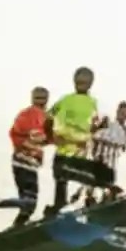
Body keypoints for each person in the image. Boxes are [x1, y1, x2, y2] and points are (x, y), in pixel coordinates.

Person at [0, 86, 50, 227]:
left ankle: (16, 228)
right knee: (30, 201)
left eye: (42, 98)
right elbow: (16, 134)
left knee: (28, 205)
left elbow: (43, 138)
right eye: (39, 98)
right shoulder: (35, 116)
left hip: (24, 163)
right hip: (25, 163)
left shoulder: (34, 116)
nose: (42, 102)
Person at [43, 68, 101, 217]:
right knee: (63, 180)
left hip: (76, 150)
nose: (80, 85)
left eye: (83, 82)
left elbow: (94, 126)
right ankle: (61, 206)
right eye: (79, 82)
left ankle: (74, 203)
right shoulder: (69, 100)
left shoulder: (89, 103)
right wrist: (51, 137)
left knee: (67, 178)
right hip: (68, 150)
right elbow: (47, 119)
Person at [75, 101, 126, 206]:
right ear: (117, 111)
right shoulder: (106, 122)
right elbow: (91, 131)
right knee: (92, 187)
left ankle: (104, 201)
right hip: (97, 160)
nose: (123, 116)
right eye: (122, 112)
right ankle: (87, 199)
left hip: (111, 165)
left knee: (107, 188)